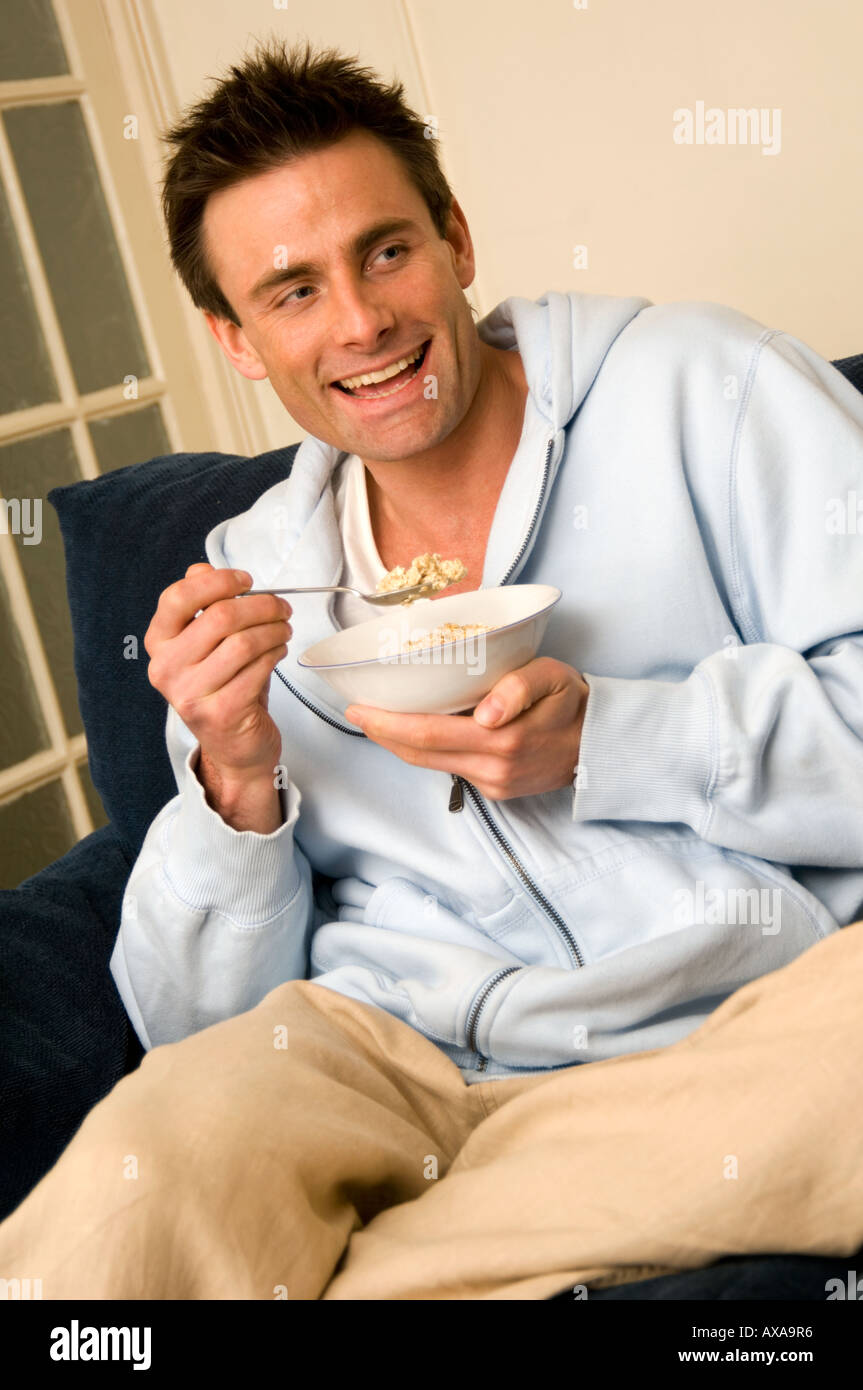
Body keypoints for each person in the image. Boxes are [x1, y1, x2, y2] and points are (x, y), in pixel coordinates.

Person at [1, 36, 862, 1301]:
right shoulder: (252, 580)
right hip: (383, 1051)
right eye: (290, 292)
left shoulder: (709, 389)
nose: (360, 324)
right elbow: (188, 1028)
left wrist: (613, 740)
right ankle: (531, 1224)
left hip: (739, 1016)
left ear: (455, 239)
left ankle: (399, 1262)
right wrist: (233, 781)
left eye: (385, 251)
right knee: (151, 1158)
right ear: (235, 338)